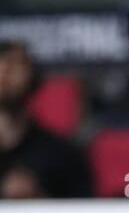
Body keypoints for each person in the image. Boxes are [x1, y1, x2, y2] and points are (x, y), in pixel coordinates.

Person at [0, 41, 93, 199]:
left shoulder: (61, 155)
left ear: (32, 76)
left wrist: (40, 198)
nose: (3, 73)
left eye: (13, 65)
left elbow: (85, 212)